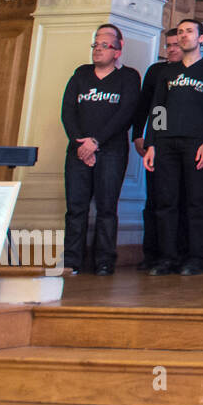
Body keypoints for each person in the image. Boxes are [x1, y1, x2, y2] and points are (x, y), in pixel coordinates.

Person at [142, 19, 203, 275]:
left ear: (201, 38)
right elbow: (158, 108)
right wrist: (152, 144)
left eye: (189, 31)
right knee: (166, 201)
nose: (183, 36)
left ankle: (197, 257)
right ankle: (168, 257)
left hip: (195, 143)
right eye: (180, 32)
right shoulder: (168, 72)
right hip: (166, 143)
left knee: (197, 201)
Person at [61, 24, 141, 275]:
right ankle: (72, 261)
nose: (98, 49)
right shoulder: (80, 75)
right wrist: (81, 143)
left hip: (112, 152)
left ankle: (104, 261)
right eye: (95, 44)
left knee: (107, 208)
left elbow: (126, 114)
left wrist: (96, 142)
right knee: (76, 208)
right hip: (78, 152)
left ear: (117, 50)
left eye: (104, 45)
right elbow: (67, 112)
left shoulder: (129, 77)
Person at [133, 28, 180, 271]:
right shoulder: (156, 71)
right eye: (168, 44)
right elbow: (146, 106)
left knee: (181, 201)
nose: (171, 49)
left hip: (186, 144)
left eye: (176, 44)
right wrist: (140, 135)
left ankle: (177, 254)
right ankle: (152, 254)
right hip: (157, 143)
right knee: (155, 201)